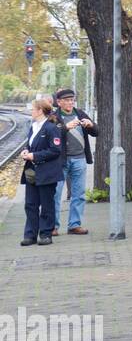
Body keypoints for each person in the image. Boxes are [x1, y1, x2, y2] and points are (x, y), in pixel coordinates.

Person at [50, 87, 97, 236]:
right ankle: (53, 226)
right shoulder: (54, 117)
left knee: (79, 194)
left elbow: (96, 132)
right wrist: (65, 128)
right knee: (55, 194)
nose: (70, 103)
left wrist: (91, 125)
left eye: (72, 100)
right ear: (59, 102)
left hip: (79, 159)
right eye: (66, 100)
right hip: (60, 161)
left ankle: (74, 225)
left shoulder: (80, 113)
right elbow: (51, 136)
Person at [20, 98, 63, 246]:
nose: (31, 111)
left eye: (32, 109)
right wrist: (26, 151)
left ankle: (46, 234)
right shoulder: (34, 127)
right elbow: (31, 144)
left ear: (40, 111)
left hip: (47, 172)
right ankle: (30, 234)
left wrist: (35, 156)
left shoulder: (51, 128)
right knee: (30, 204)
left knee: (46, 204)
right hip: (32, 172)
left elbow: (55, 150)